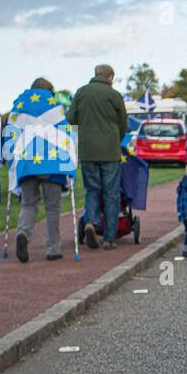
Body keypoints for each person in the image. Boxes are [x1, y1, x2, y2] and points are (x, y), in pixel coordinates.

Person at [9, 77, 71, 262]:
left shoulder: (19, 106)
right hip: (51, 163)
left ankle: (23, 233)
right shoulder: (55, 107)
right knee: (53, 208)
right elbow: (66, 133)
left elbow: (10, 135)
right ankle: (53, 249)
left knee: (29, 204)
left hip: (27, 162)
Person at [68, 64, 128, 250]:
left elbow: (71, 118)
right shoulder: (115, 95)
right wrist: (115, 139)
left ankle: (91, 222)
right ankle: (110, 238)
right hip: (110, 151)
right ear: (110, 76)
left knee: (92, 190)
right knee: (111, 194)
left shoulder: (81, 92)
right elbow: (123, 124)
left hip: (88, 151)